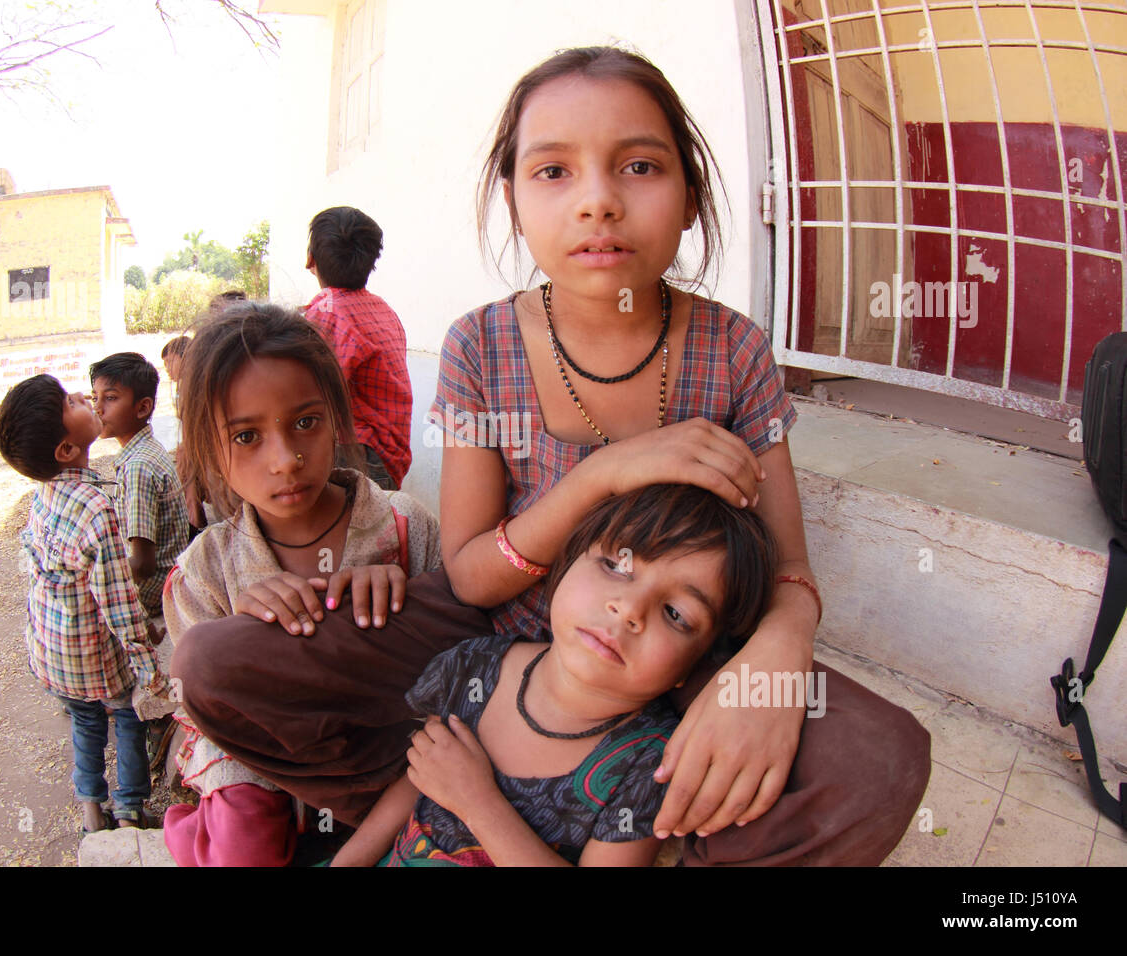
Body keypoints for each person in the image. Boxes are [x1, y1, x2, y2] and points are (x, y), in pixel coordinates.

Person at [173, 46, 929, 865]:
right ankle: (466, 796)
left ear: (688, 198)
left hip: (664, 655)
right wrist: (604, 475)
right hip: (490, 638)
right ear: (514, 198)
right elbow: (466, 575)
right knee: (220, 660)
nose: (599, 202)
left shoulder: (735, 350)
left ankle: (608, 813)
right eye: (554, 172)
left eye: (639, 166)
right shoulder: (479, 345)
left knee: (879, 761)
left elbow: (787, 567)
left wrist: (775, 662)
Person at [331, 484, 776, 866]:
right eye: (616, 565)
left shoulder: (650, 763)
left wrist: (477, 803)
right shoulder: (474, 667)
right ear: (565, 563)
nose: (629, 609)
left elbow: (454, 788)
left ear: (695, 667)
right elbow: (422, 777)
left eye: (676, 614)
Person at [162, 302, 443, 866]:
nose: (286, 459)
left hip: (402, 779)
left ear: (337, 419)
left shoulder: (404, 530)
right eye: (246, 436)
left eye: (305, 423)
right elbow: (206, 711)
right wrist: (245, 640)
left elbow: (462, 670)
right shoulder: (206, 572)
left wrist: (405, 605)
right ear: (205, 444)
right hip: (271, 801)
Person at [0, 374, 172, 832]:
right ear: (67, 450)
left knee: (85, 723)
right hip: (94, 655)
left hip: (53, 652)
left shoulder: (43, 494)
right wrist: (148, 665)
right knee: (127, 717)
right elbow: (117, 601)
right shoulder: (95, 508)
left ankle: (92, 807)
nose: (85, 398)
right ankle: (130, 809)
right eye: (74, 401)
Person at [304, 206, 412, 490]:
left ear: (310, 259)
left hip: (357, 452)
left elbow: (310, 391)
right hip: (388, 454)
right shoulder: (382, 308)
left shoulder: (328, 311)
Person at [89, 351, 190, 618]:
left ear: (142, 407)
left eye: (110, 398)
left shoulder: (138, 467)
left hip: (153, 588)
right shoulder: (145, 449)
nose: (98, 408)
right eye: (94, 397)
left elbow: (142, 565)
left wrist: (98, 581)